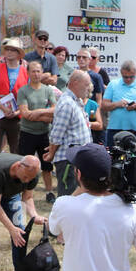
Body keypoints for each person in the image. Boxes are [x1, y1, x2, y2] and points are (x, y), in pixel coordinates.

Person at [46, 69, 94, 198]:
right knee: (69, 198)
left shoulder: (76, 102)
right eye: (86, 84)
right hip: (68, 161)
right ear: (75, 83)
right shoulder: (67, 103)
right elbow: (57, 135)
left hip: (76, 159)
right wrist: (51, 153)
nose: (88, 88)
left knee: (77, 198)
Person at [16, 60, 57, 201]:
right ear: (28, 73)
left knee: (47, 165)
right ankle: (21, 191)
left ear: (42, 73)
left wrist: (38, 113)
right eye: (33, 71)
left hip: (45, 134)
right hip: (27, 133)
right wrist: (45, 116)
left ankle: (49, 192)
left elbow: (54, 110)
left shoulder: (48, 90)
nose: (36, 74)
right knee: (24, 164)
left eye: (38, 71)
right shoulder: (23, 91)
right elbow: (25, 114)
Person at [0, 37, 27, 157]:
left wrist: (18, 111)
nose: (9, 52)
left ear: (19, 54)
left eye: (12, 50)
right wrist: (3, 108)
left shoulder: (25, 71)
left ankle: (18, 175)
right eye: (7, 49)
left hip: (17, 116)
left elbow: (27, 97)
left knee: (17, 149)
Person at [101, 59, 136, 149]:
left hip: (135, 130)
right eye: (125, 77)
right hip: (114, 129)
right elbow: (104, 106)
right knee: (112, 159)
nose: (128, 79)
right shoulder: (113, 84)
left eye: (131, 77)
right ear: (121, 73)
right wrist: (117, 104)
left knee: (133, 160)